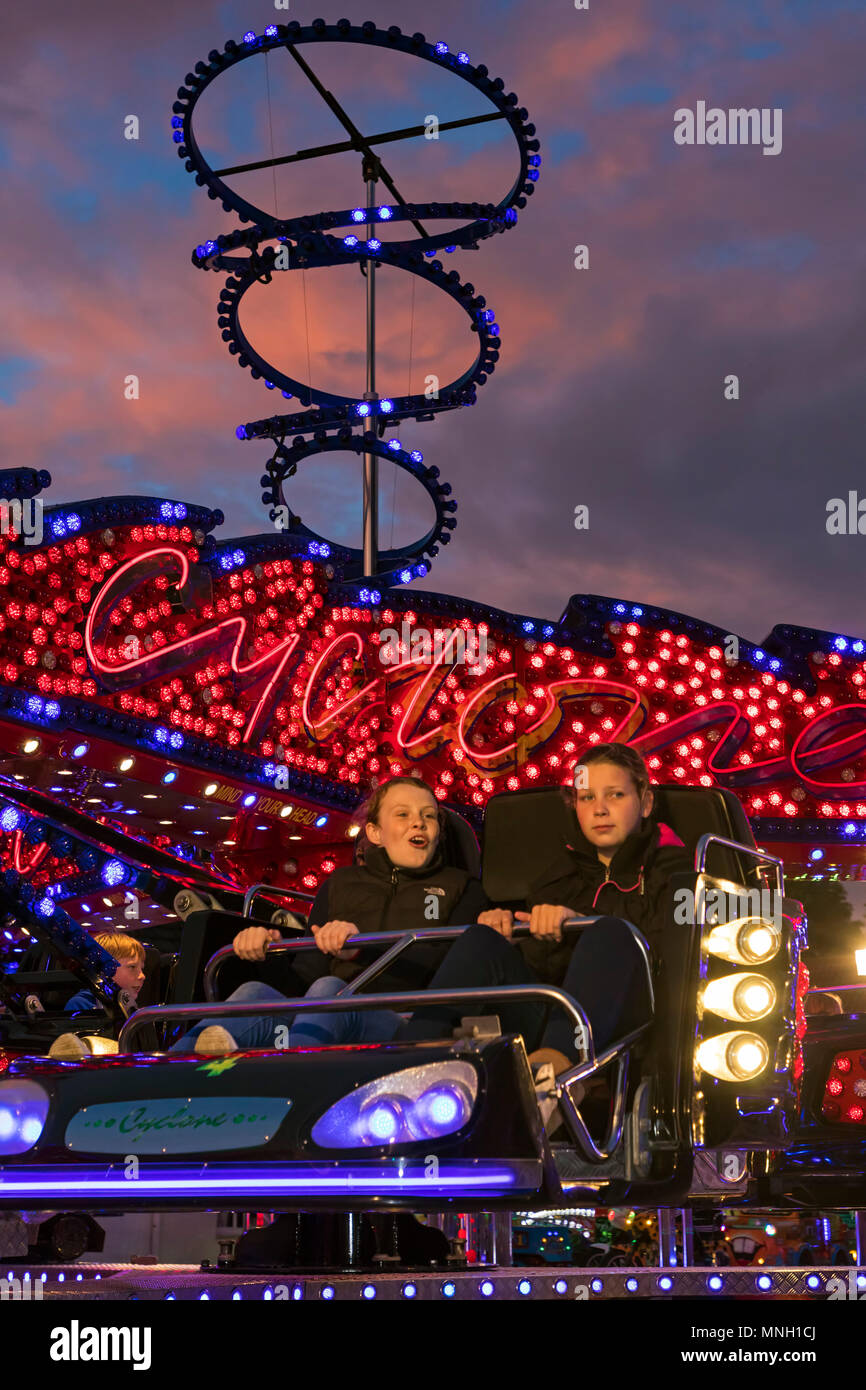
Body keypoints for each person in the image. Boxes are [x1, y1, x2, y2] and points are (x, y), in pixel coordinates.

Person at [398, 743, 693, 1080]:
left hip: (635, 1017)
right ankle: (410, 1061)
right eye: (587, 798)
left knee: (611, 932)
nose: (600, 810)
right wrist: (511, 934)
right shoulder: (557, 876)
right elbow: (542, 968)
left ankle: (547, 1079)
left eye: (615, 796)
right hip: (550, 1015)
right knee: (481, 939)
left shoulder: (676, 869)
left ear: (645, 802)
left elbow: (669, 956)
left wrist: (577, 924)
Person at [171, 775, 490, 1053]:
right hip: (325, 1014)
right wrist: (268, 953)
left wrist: (357, 950)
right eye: (403, 815)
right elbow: (303, 982)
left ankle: (285, 1084)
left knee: (329, 990)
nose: (418, 823)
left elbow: (449, 969)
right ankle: (161, 1081)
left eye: (428, 816)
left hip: (408, 1022)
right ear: (375, 833)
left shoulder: (462, 887)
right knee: (253, 993)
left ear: (438, 833)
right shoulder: (340, 885)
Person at [47, 932, 146, 1059]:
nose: (142, 976)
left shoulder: (128, 1008)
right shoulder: (82, 1004)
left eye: (142, 968)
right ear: (103, 968)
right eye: (132, 967)